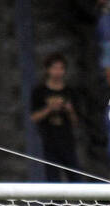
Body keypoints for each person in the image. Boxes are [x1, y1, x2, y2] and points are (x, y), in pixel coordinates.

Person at [30, 52, 81, 182]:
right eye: (54, 68)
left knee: (75, 177)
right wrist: (49, 109)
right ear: (48, 69)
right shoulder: (39, 91)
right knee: (53, 179)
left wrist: (69, 110)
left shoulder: (70, 92)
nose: (58, 72)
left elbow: (76, 121)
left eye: (61, 68)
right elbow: (34, 117)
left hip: (67, 141)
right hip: (49, 141)